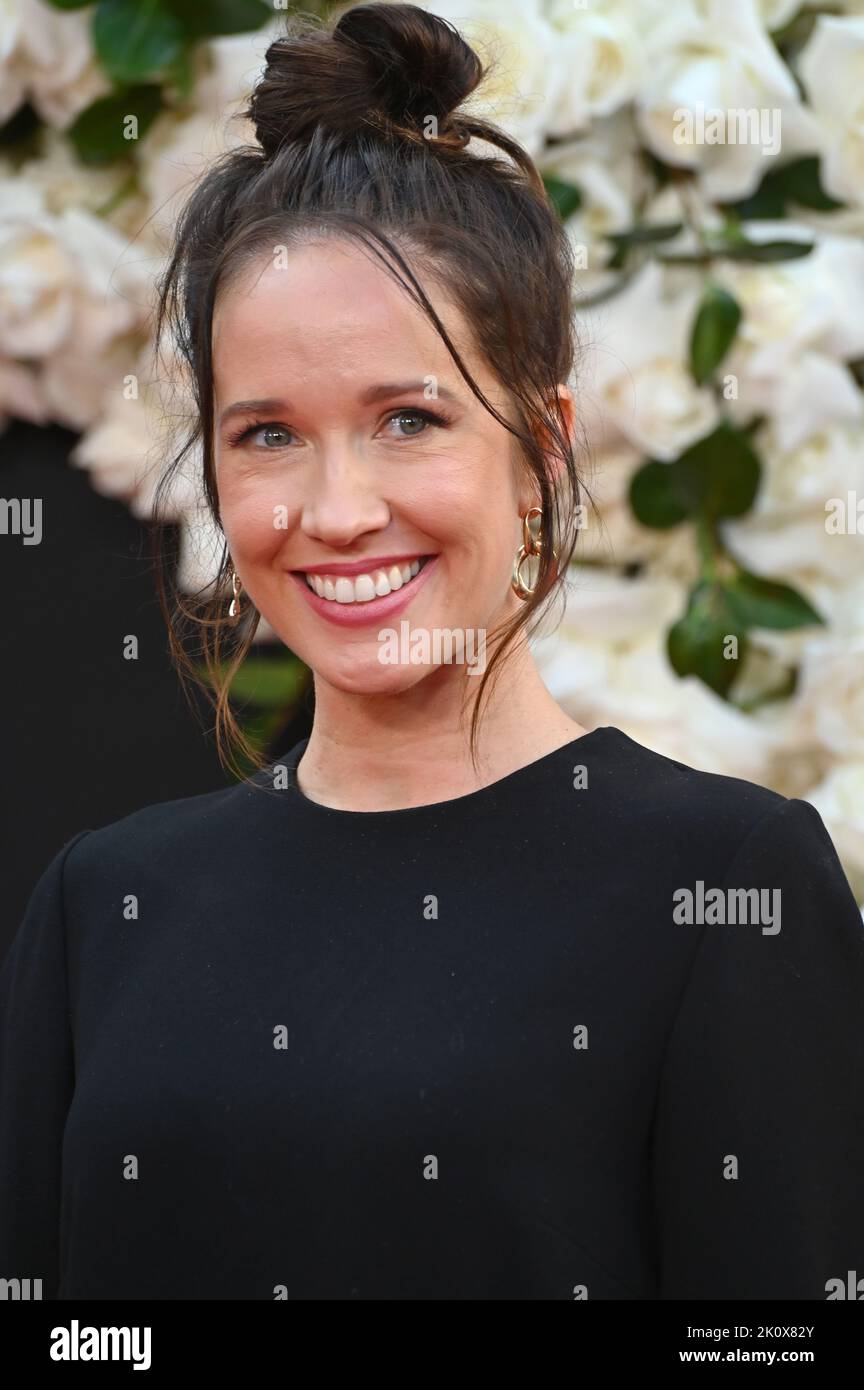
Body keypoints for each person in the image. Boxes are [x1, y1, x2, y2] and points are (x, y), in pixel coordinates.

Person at [1, 2, 863, 1302]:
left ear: (544, 447)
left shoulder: (729, 882)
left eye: (409, 418)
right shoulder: (102, 906)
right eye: (268, 433)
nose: (337, 508)